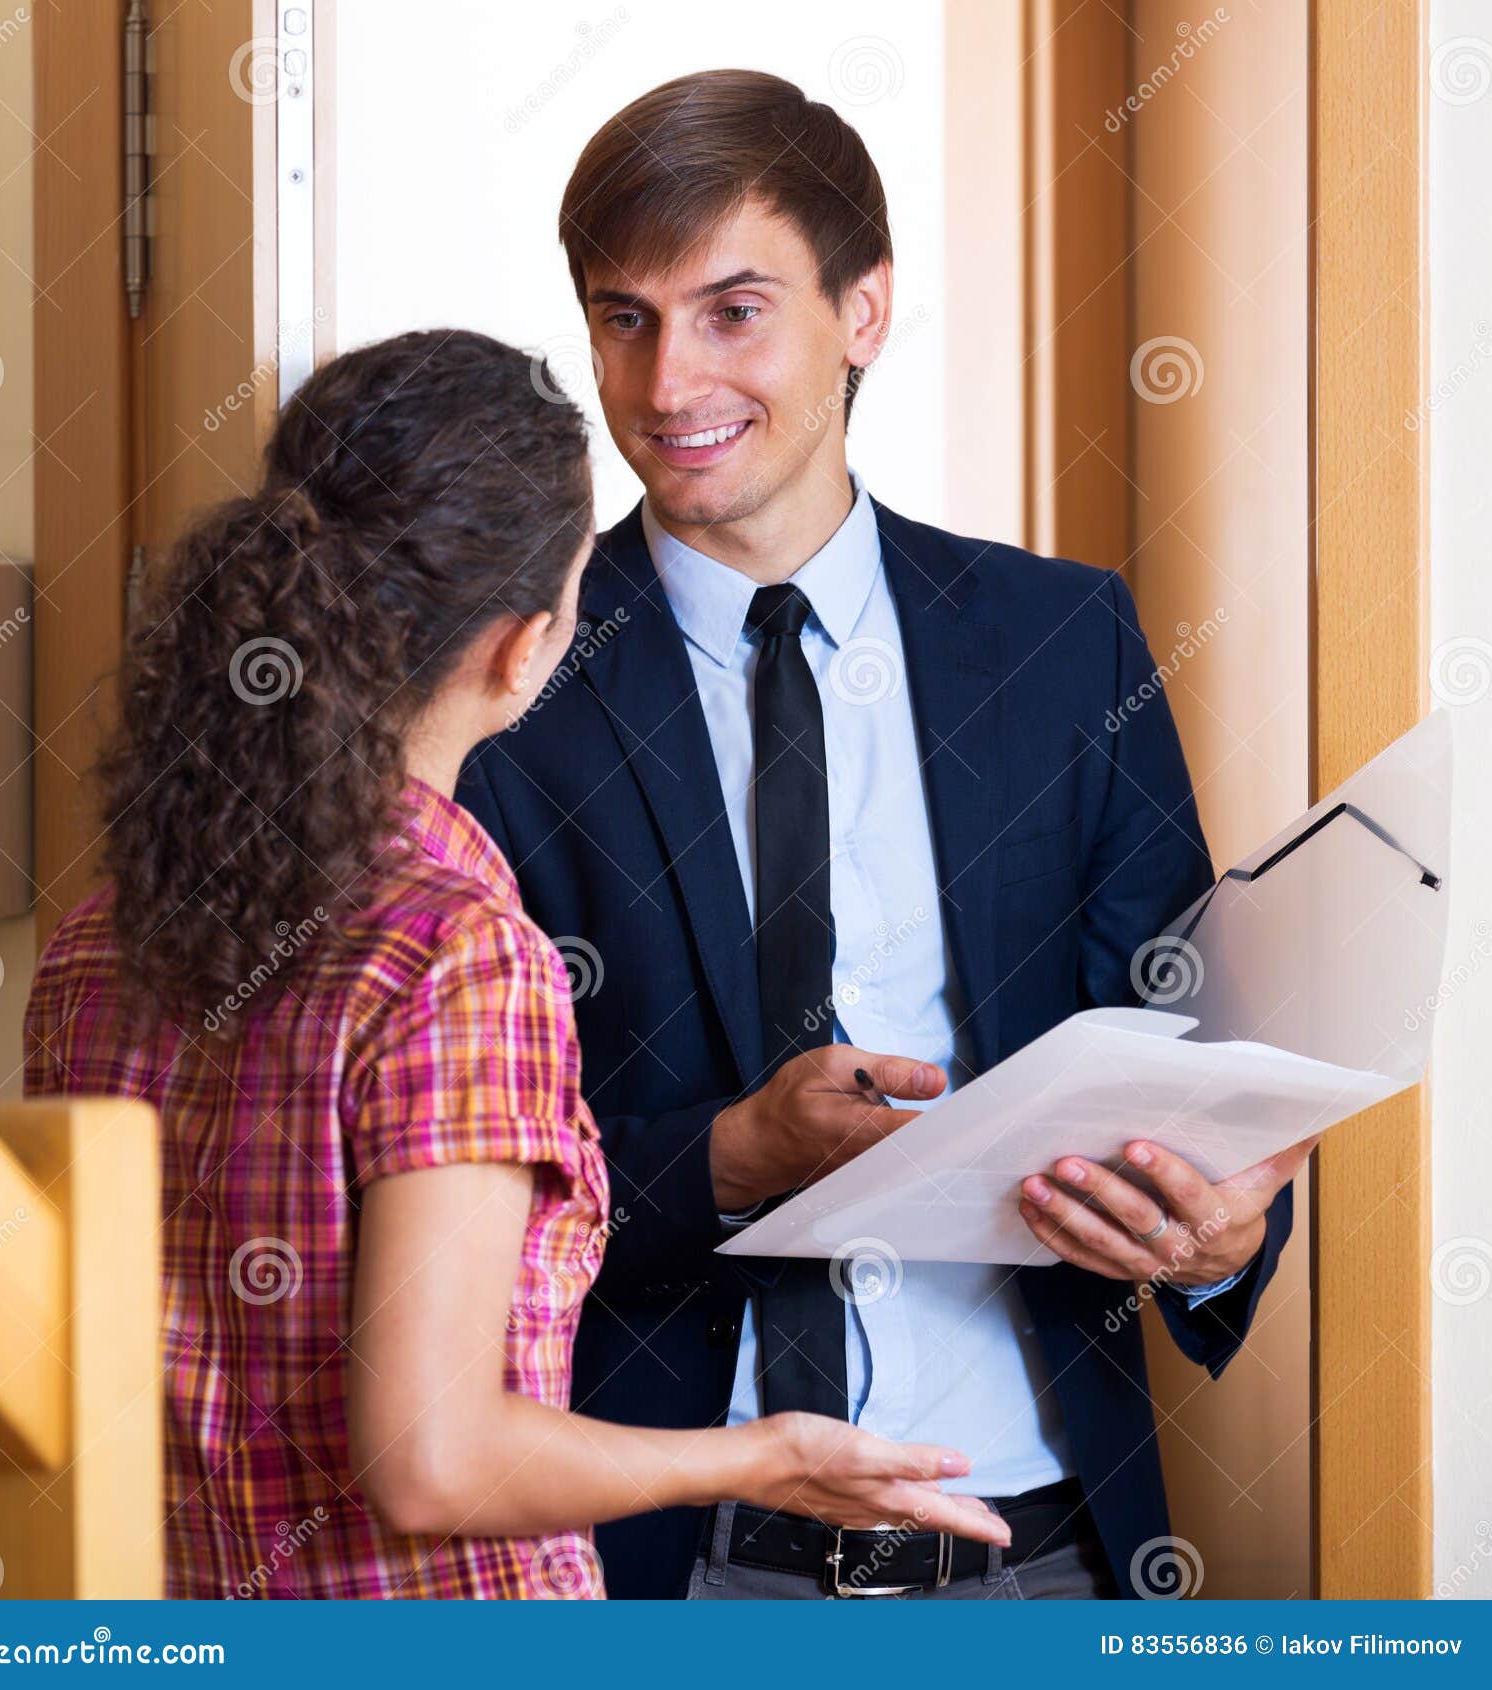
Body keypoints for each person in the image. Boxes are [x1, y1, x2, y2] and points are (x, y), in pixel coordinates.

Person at [457, 71, 1316, 1601]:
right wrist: (727, 1159)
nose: (665, 386)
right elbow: (457, 1191)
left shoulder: (1065, 644)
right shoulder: (507, 691)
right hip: (675, 1559)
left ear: (863, 311)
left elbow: (1180, 1060)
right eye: (622, 319)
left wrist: (1215, 1234)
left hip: (1038, 1541)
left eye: (730, 311)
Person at [21, 327, 1009, 1600]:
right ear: (524, 643)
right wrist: (753, 1455)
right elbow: (432, 1461)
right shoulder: (455, 956)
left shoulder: (96, 940)